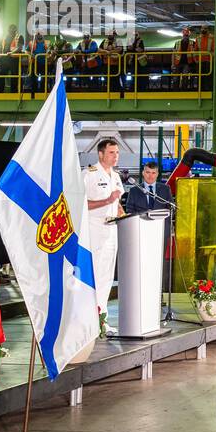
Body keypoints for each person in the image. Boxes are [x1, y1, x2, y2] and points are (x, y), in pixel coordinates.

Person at [86, 139, 125, 329]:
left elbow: (116, 202)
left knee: (107, 277)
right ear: (101, 154)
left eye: (117, 152)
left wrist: (120, 210)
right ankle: (89, 319)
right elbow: (81, 204)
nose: (115, 156)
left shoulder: (115, 176)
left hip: (112, 230)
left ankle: (102, 319)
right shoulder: (89, 174)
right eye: (111, 152)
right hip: (95, 229)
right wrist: (107, 201)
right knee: (94, 274)